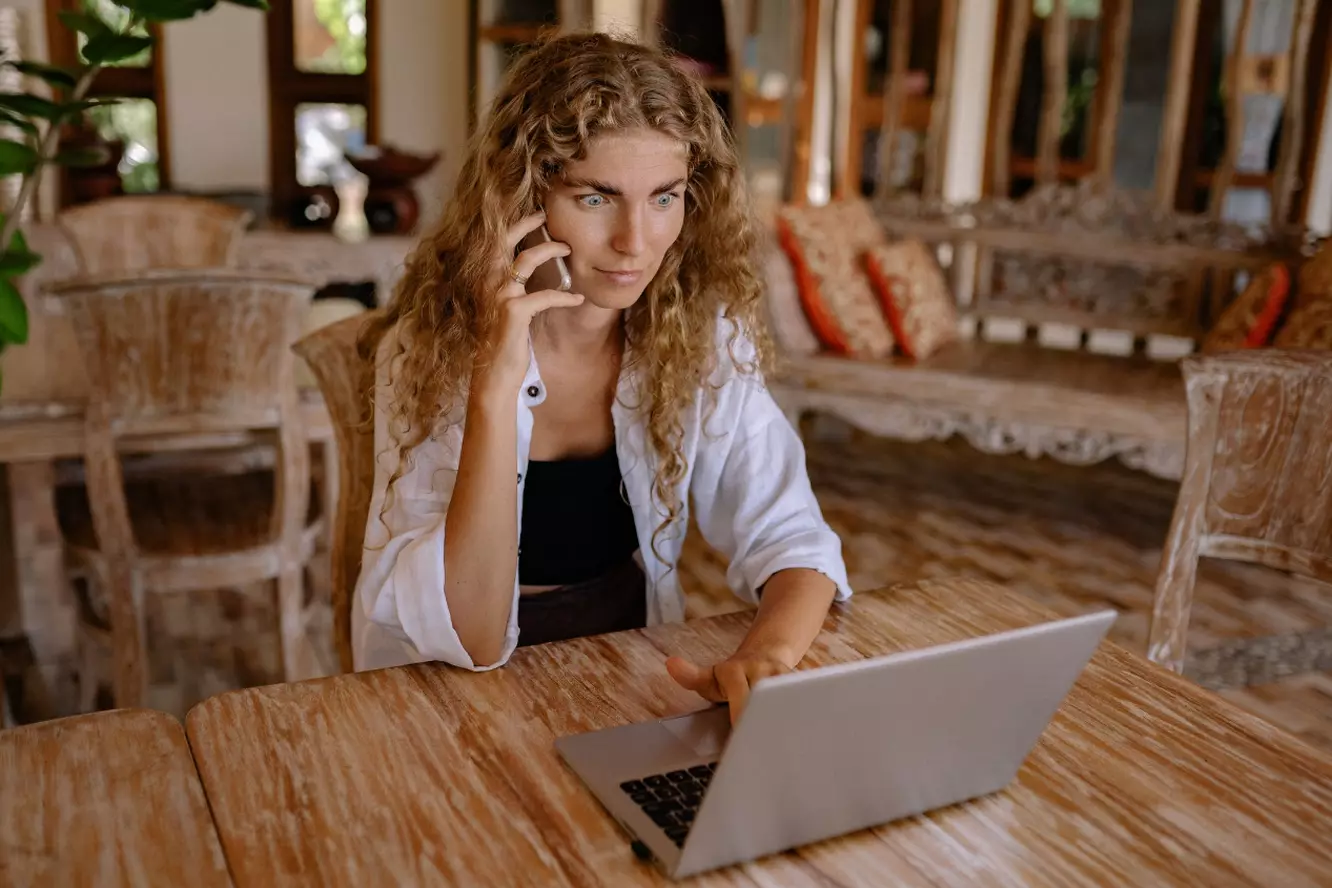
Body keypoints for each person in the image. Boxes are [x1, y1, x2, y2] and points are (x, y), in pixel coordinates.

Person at [355, 31, 851, 722]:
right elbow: (468, 636)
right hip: (450, 694)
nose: (635, 241)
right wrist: (495, 386)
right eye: (596, 198)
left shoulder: (695, 334)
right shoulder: (430, 347)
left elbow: (793, 536)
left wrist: (765, 656)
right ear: (520, 194)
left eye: (664, 197)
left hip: (628, 667)